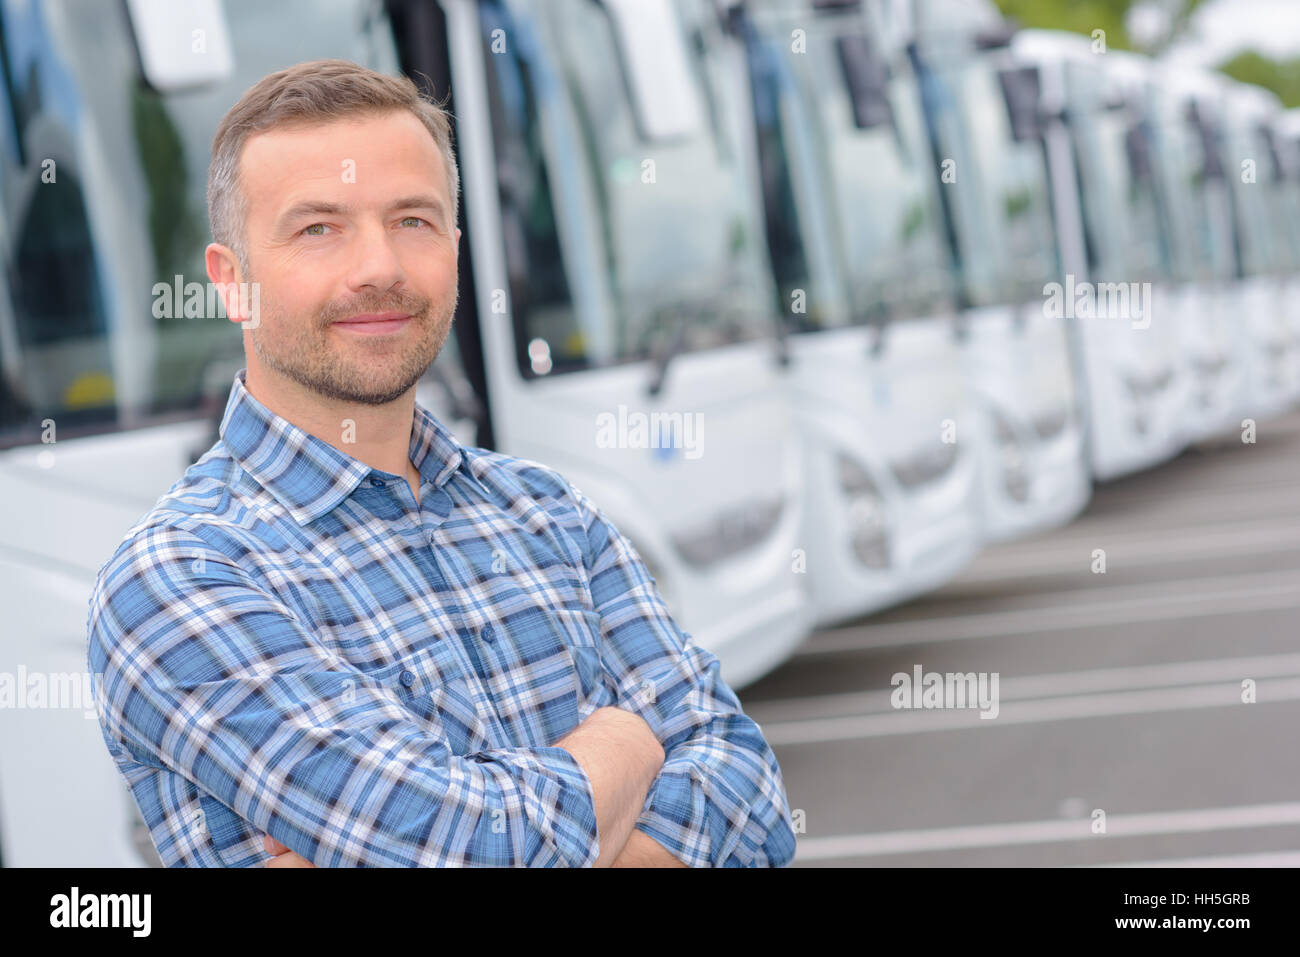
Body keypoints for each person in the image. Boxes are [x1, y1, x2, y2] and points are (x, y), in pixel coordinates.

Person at [86, 59, 796, 867]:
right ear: (230, 281)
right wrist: (629, 744)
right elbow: (476, 851)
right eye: (318, 227)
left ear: (456, 247)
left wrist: (499, 826)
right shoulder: (180, 577)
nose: (379, 268)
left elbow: (757, 804)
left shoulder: (550, 513)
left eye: (413, 220)